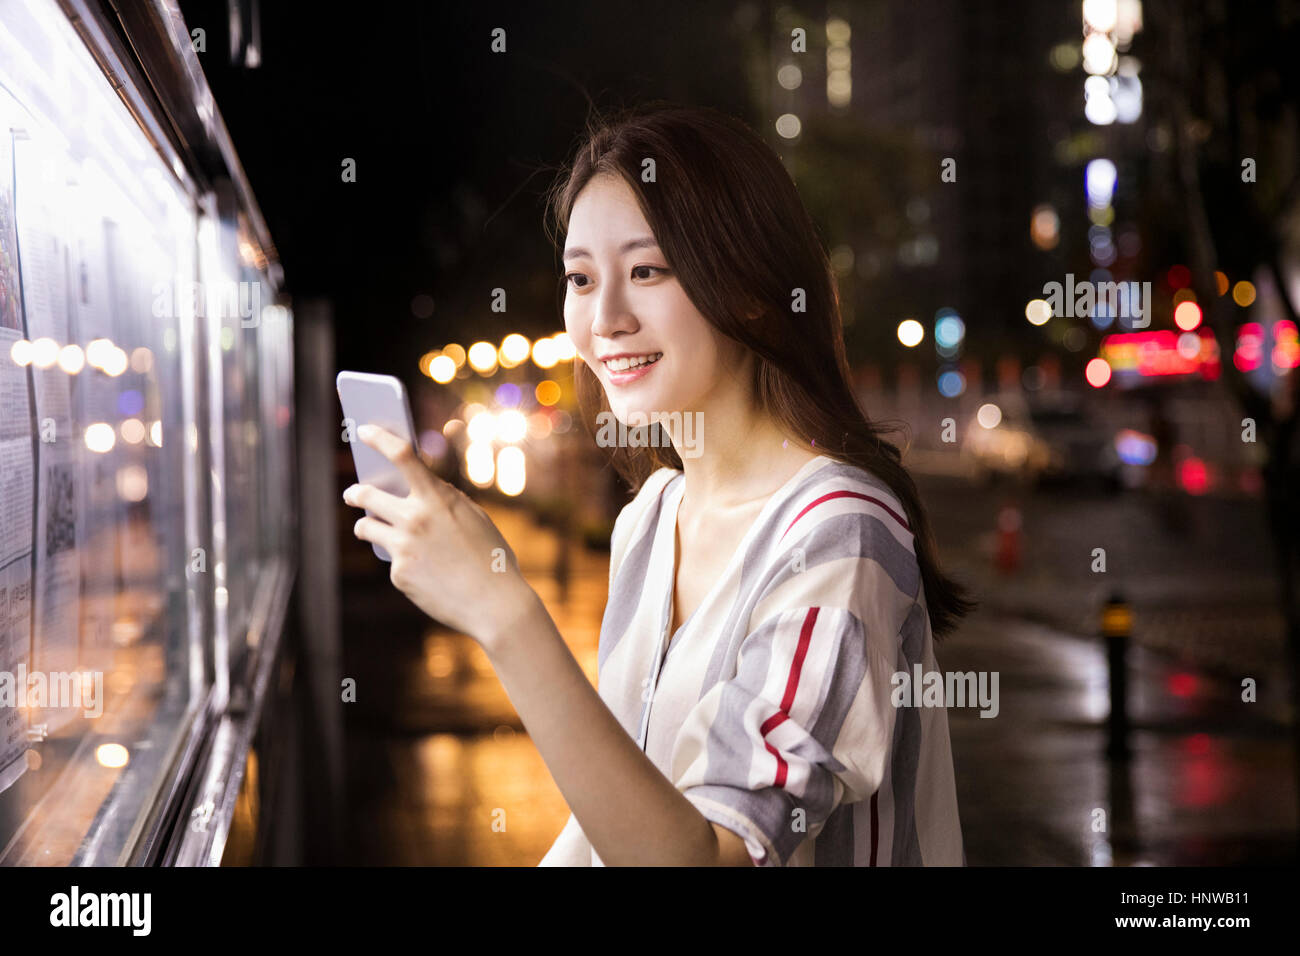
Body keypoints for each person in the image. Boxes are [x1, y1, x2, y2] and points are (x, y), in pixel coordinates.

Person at [344, 102, 975, 866]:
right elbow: (616, 821)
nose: (605, 318)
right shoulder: (653, 516)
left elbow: (703, 857)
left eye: (647, 270)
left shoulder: (840, 534)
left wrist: (502, 611)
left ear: (745, 286)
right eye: (581, 278)